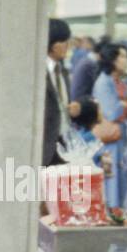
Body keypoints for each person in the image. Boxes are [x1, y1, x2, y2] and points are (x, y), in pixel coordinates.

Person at [93, 42, 127, 210]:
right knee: (110, 179)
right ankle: (110, 210)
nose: (126, 60)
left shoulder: (119, 82)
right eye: (122, 56)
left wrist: (124, 105)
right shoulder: (104, 83)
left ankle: (117, 210)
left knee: (119, 178)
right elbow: (112, 112)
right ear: (113, 60)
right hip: (108, 144)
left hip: (119, 139)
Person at [43, 19, 76, 167]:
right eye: (65, 42)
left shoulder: (63, 72)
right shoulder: (37, 73)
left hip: (63, 147)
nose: (68, 47)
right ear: (54, 45)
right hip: (44, 149)